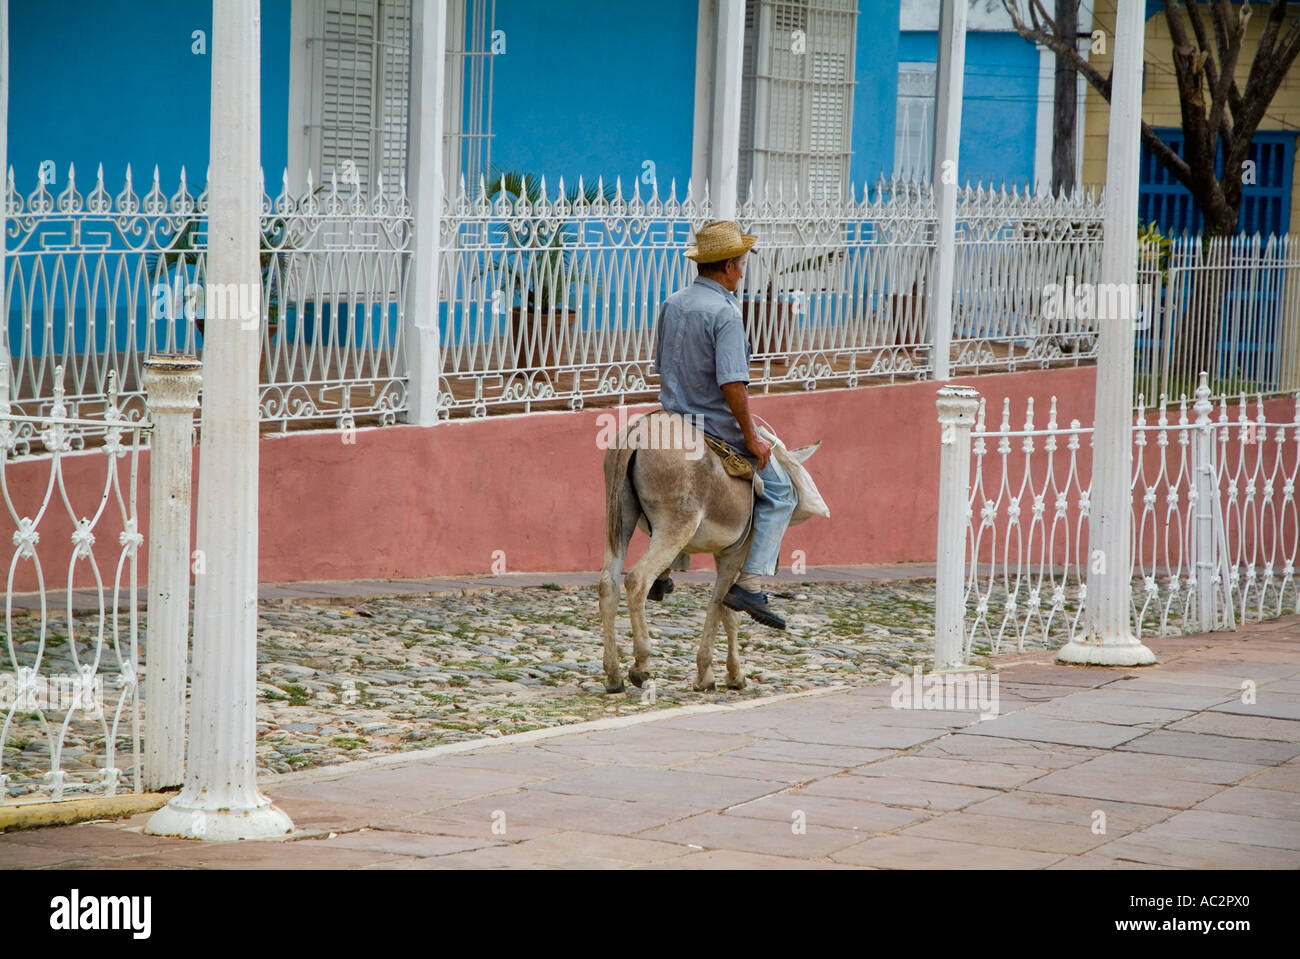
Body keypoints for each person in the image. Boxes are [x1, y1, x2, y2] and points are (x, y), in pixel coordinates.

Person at [649, 220, 797, 630]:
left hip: (672, 419)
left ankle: (660, 569)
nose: (744, 269)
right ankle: (749, 583)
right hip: (713, 425)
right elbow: (732, 382)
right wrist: (751, 436)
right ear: (729, 266)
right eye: (742, 262)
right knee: (783, 490)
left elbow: (661, 366)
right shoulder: (727, 312)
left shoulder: (674, 302)